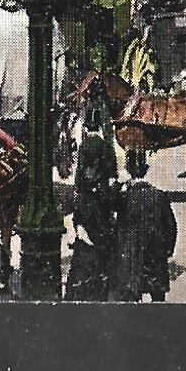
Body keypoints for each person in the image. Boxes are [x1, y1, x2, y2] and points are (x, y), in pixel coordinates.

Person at [110, 149, 178, 302]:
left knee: (132, 300)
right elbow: (171, 226)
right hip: (155, 256)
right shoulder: (159, 196)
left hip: (132, 259)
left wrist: (118, 184)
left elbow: (109, 205)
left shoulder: (125, 198)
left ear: (128, 170)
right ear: (147, 169)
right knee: (158, 299)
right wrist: (168, 250)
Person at [68, 110, 121, 301]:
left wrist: (78, 195)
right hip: (101, 198)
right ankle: (104, 273)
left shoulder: (84, 147)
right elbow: (112, 172)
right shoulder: (105, 146)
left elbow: (79, 175)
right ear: (99, 126)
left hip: (85, 200)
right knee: (105, 235)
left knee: (86, 236)